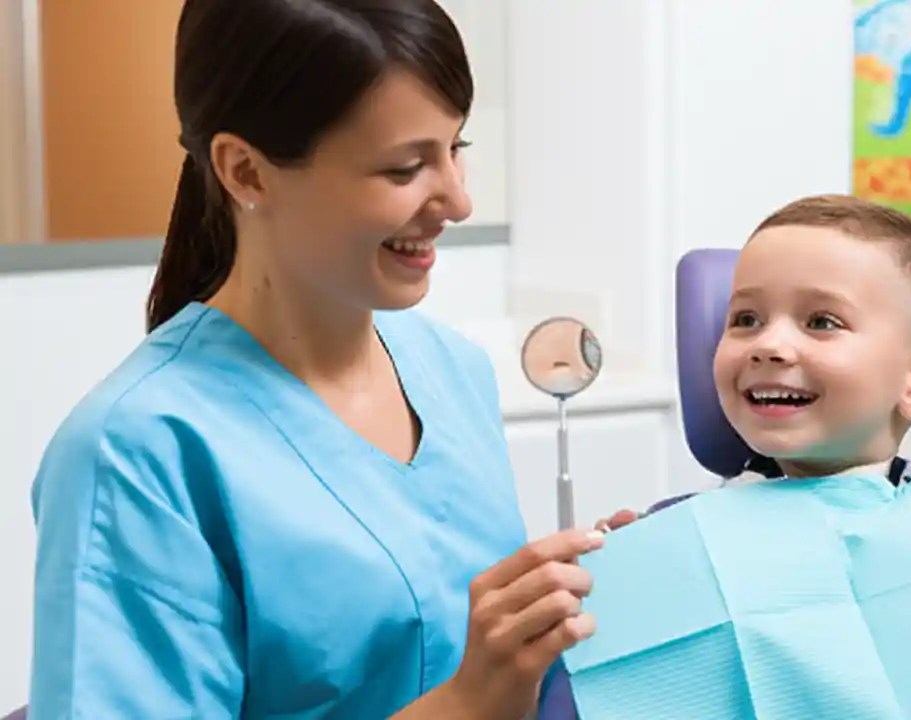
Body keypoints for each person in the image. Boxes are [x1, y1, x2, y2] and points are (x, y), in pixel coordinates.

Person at [28, 2, 605, 718]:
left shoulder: (451, 369)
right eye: (405, 167)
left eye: (457, 149)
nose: (457, 199)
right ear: (247, 171)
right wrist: (463, 706)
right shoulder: (136, 454)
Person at [538, 194, 911, 717]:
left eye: (822, 322)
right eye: (745, 318)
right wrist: (621, 582)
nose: (768, 344)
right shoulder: (674, 540)